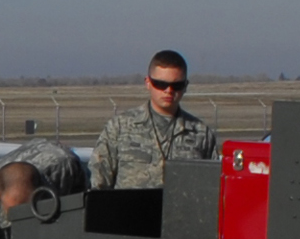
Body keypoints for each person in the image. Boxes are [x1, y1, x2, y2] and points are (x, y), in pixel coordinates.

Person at [89, 50, 218, 189]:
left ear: (185, 86)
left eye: (176, 85)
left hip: (180, 210)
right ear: (148, 82)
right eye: (161, 84)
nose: (168, 90)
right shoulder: (120, 128)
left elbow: (211, 188)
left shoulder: (201, 134)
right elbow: (100, 184)